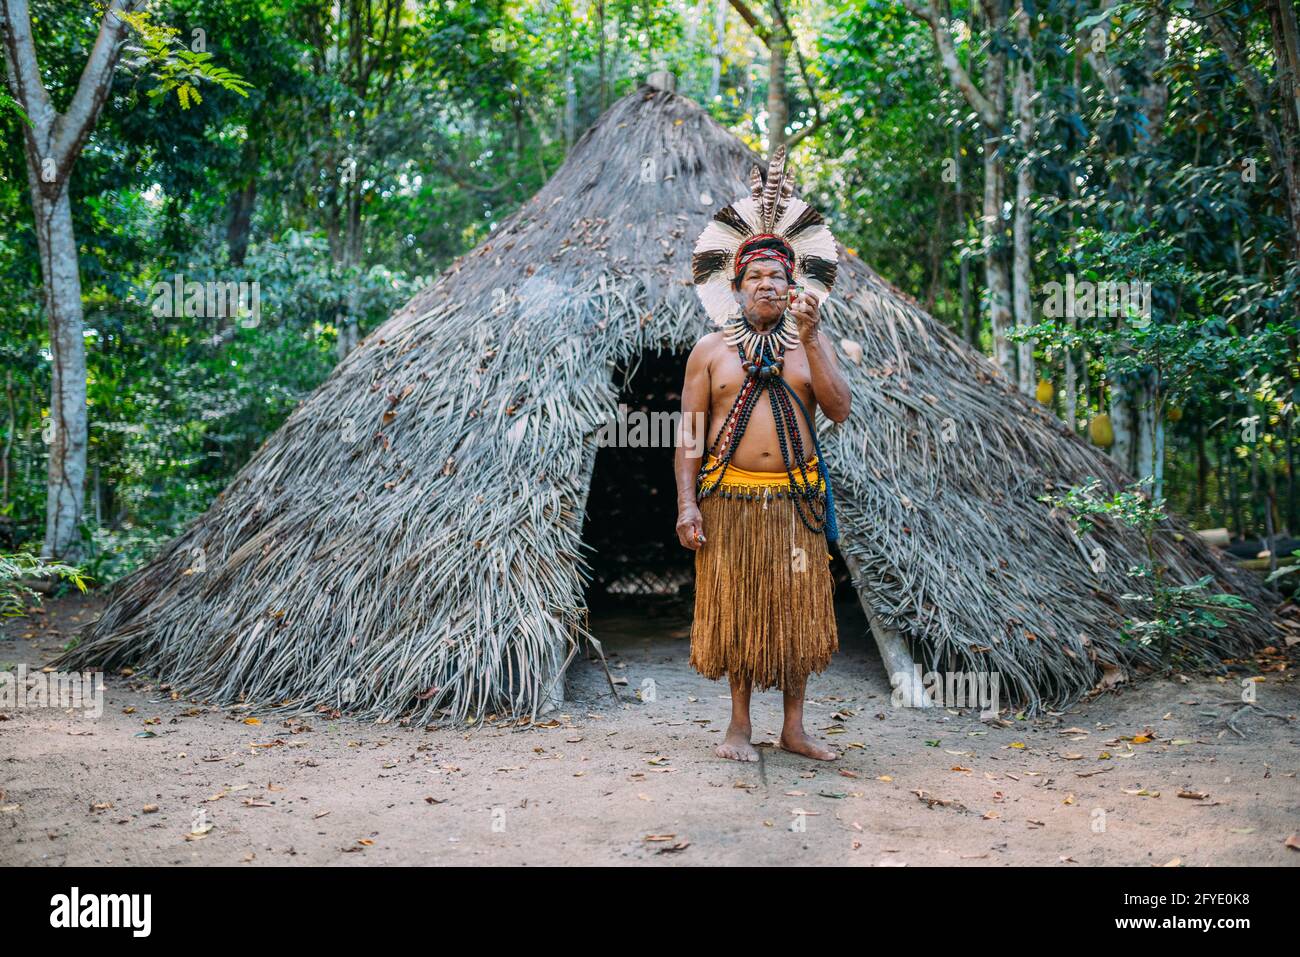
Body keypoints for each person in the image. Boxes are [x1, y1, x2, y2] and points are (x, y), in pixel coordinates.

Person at [675, 145, 850, 762]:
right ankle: (738, 727)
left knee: (797, 615)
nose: (769, 284)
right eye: (757, 277)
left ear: (794, 284)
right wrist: (686, 506)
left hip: (797, 504)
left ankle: (795, 728)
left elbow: (838, 410)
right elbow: (690, 437)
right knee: (741, 611)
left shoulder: (811, 344)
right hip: (730, 504)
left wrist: (814, 338)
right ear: (737, 285)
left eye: (779, 276)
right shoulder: (710, 352)